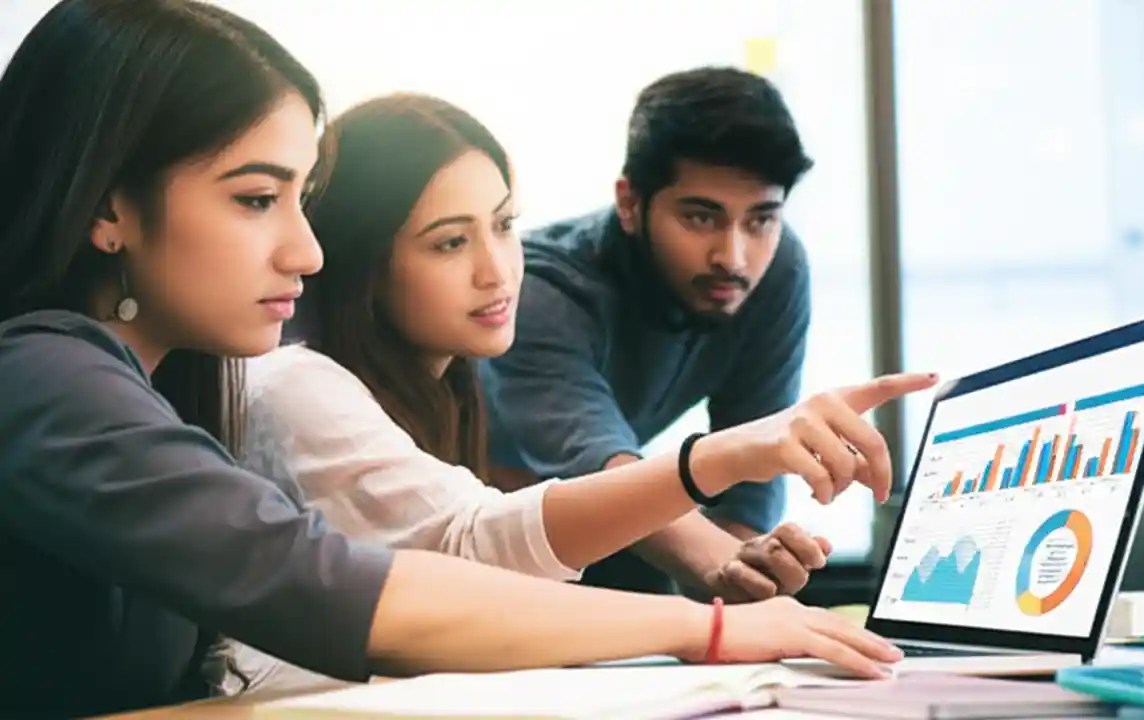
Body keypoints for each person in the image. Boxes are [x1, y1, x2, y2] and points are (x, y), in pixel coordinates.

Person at [0, 2, 922, 716]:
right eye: (254, 200)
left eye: (301, 200)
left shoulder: (164, 386)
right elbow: (337, 583)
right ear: (108, 207)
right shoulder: (45, 375)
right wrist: (711, 630)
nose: (305, 252)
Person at [232, 93, 935, 694]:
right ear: (361, 261)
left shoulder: (447, 387)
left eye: (505, 225)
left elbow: (482, 573)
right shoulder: (295, 383)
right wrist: (718, 483)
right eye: (450, 243)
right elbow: (472, 545)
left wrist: (739, 583)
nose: (498, 271)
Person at [482, 66, 831, 596]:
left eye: (760, 219)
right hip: (475, 525)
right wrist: (724, 568)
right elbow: (601, 470)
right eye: (700, 218)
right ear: (630, 203)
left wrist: (745, 584)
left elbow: (756, 462)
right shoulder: (544, 288)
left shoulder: (778, 269)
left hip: (617, 516)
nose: (732, 258)